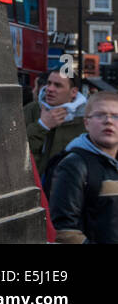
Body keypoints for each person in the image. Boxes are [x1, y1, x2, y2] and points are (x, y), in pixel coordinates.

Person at [47, 91, 118, 243]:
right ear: (86, 123)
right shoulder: (74, 165)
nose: (109, 121)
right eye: (100, 115)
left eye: (115, 116)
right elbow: (64, 230)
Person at [24, 69, 88, 170]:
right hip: (32, 181)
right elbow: (17, 150)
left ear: (73, 92)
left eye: (57, 85)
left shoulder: (86, 118)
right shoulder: (32, 109)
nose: (50, 89)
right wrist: (42, 126)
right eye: (49, 83)